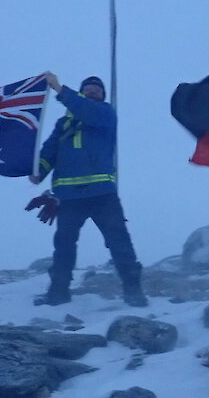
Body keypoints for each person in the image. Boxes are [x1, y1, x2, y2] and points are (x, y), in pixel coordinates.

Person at [30, 72, 147, 307]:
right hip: (68, 197)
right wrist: (38, 171)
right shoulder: (63, 124)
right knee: (63, 247)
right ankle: (58, 292)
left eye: (97, 89)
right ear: (82, 92)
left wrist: (61, 90)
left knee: (119, 243)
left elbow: (87, 111)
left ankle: (133, 291)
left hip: (102, 194)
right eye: (89, 88)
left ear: (102, 95)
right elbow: (49, 152)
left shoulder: (105, 114)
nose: (93, 91)